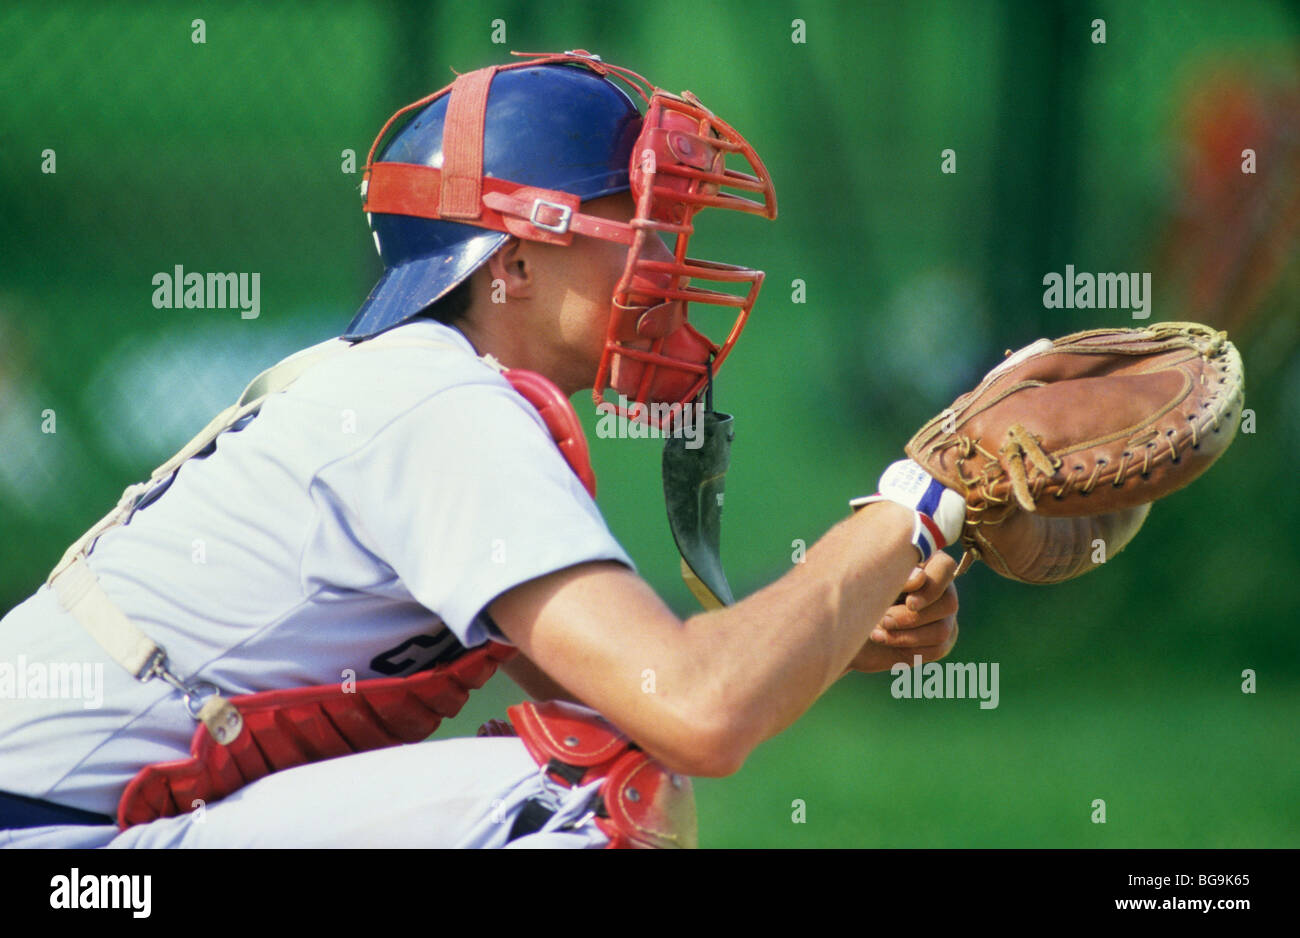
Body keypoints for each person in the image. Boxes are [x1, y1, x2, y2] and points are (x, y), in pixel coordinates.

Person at [0, 51, 960, 849]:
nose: (668, 253)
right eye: (643, 218)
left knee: (608, 752)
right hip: (52, 839)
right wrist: (914, 511)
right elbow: (693, 710)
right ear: (518, 259)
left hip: (80, 831)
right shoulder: (441, 405)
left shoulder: (419, 385)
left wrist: (826, 629)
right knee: (589, 797)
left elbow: (635, 682)